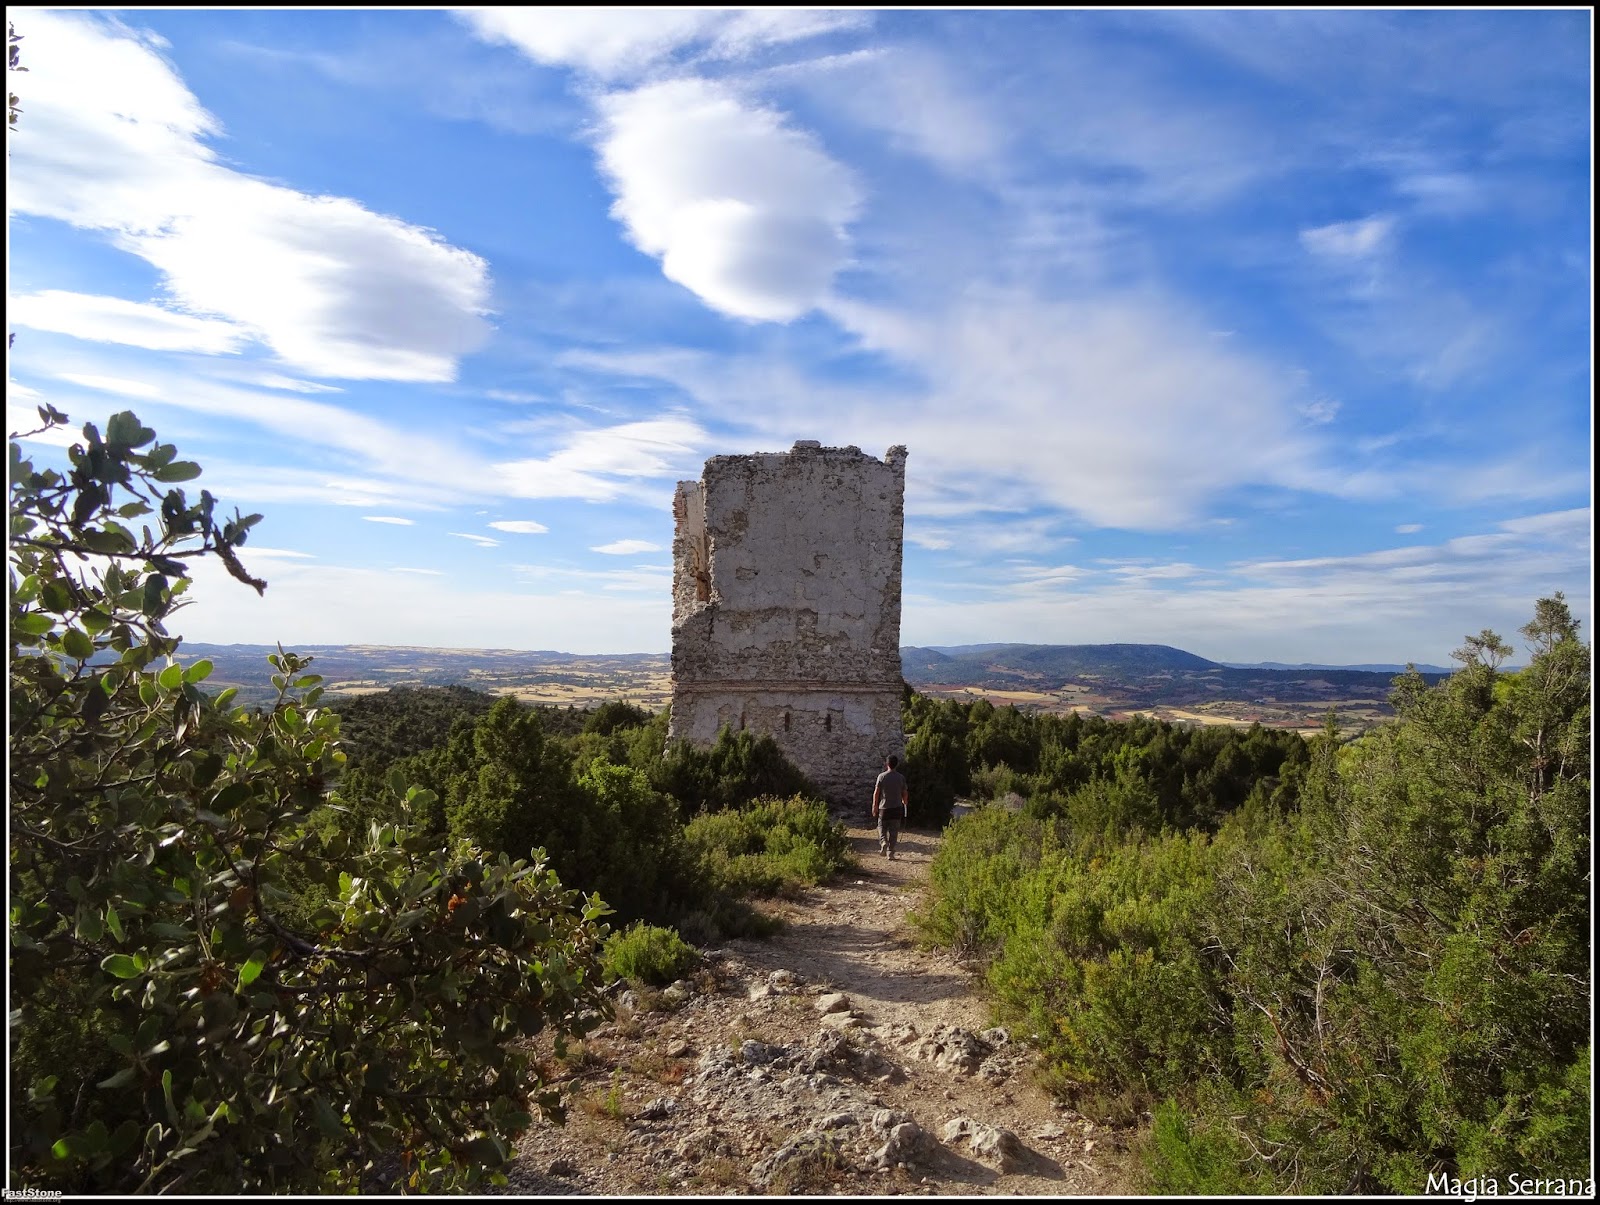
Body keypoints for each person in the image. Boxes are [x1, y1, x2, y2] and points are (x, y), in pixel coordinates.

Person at [871, 754, 909, 860]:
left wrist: (874, 805)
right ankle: (891, 852)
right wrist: (904, 802)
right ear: (896, 765)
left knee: (881, 827)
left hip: (884, 808)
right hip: (896, 808)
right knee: (894, 831)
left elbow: (876, 792)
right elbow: (905, 793)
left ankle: (883, 842)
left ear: (887, 764)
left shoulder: (881, 776)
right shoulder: (901, 778)